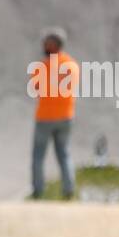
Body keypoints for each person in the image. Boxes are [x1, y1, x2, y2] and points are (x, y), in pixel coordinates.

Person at [29, 27, 79, 200]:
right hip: (66, 116)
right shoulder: (71, 64)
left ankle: (38, 190)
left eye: (46, 43)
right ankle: (68, 189)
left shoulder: (43, 66)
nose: (43, 46)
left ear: (54, 45)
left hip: (45, 117)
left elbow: (35, 88)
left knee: (38, 156)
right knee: (64, 154)